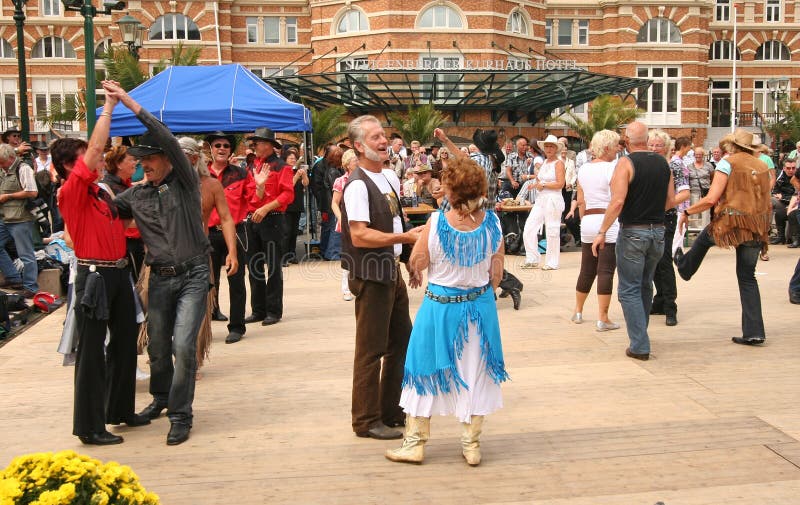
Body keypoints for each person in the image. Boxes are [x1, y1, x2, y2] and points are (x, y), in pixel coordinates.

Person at [103, 81, 224, 446]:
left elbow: (165, 137)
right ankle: (160, 398)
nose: (143, 164)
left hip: (193, 274)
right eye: (139, 160)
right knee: (157, 347)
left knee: (184, 345)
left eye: (149, 158)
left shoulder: (187, 182)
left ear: (168, 159)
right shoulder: (135, 194)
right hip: (158, 278)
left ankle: (180, 414)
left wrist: (126, 101)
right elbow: (103, 210)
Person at [385, 155, 508, 466]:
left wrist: (415, 266)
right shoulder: (493, 223)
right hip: (479, 310)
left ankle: (414, 443)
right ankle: (471, 445)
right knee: (475, 372)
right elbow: (497, 274)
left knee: (424, 369)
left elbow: (419, 262)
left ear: (451, 191)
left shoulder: (436, 222)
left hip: (439, 308)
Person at [52, 87, 147, 445]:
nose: (93, 160)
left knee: (125, 341)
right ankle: (89, 427)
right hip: (94, 274)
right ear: (68, 165)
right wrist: (109, 106)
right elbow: (95, 149)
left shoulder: (100, 193)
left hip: (117, 271)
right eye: (82, 158)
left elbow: (119, 227)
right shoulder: (70, 191)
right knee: (92, 351)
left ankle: (119, 410)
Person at [340, 115, 422, 440]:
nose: (383, 140)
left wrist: (407, 262)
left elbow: (395, 223)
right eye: (375, 137)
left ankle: (391, 411)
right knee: (370, 350)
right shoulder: (358, 184)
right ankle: (365, 420)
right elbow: (360, 236)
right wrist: (405, 242)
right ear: (359, 146)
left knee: (402, 342)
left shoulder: (387, 177)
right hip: (371, 276)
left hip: (390, 273)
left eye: (383, 135)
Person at [674, 129, 771, 346]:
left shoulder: (728, 163)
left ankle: (685, 267)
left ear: (732, 146)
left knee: (705, 238)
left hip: (732, 222)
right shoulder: (763, 165)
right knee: (748, 278)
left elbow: (711, 198)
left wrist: (687, 212)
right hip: (756, 225)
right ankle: (755, 332)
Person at [591, 121, 675, 361]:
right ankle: (641, 334)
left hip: (633, 231)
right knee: (645, 285)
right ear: (647, 140)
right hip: (658, 231)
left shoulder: (626, 163)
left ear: (627, 140)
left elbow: (617, 201)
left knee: (628, 289)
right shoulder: (663, 163)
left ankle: (639, 344)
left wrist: (602, 231)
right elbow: (669, 201)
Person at [178, 136, 238, 358]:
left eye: (183, 157)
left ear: (194, 158)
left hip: (198, 255)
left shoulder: (210, 185)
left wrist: (232, 252)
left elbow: (226, 218)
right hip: (166, 256)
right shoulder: (163, 184)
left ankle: (190, 358)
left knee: (197, 311)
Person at [205, 131, 254, 344]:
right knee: (207, 281)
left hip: (235, 232)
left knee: (236, 280)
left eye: (226, 145)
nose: (222, 148)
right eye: (217, 145)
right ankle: (208, 319)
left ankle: (236, 326)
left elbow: (253, 201)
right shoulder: (201, 175)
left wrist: (260, 186)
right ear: (210, 149)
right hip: (207, 233)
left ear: (231, 150)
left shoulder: (241, 174)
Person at [245, 127, 295, 326]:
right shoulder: (252, 166)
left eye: (257, 143)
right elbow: (251, 195)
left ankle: (273, 310)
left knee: (273, 267)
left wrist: (265, 208)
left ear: (268, 145)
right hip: (253, 219)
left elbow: (287, 195)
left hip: (272, 219)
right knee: (254, 266)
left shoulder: (282, 166)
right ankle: (258, 309)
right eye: (254, 143)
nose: (255, 146)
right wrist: (259, 190)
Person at [572, 130, 621, 332]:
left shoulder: (583, 169)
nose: (619, 148)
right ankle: (603, 317)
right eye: (617, 145)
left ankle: (578, 310)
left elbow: (581, 200)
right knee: (605, 270)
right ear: (608, 147)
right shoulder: (613, 168)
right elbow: (617, 198)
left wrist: (585, 222)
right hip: (607, 220)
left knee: (587, 268)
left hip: (589, 219)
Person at [648, 133, 690, 327]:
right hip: (649, 219)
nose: (655, 148)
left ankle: (670, 307)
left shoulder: (673, 166)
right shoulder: (646, 165)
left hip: (666, 218)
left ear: (666, 148)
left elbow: (685, 193)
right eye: (651, 145)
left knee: (664, 260)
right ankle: (660, 300)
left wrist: (665, 206)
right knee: (652, 260)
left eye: (658, 145)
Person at [521, 135, 565, 270]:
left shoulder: (559, 163)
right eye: (547, 146)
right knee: (529, 227)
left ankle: (552, 262)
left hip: (553, 199)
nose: (549, 149)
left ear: (556, 148)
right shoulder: (545, 162)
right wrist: (535, 185)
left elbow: (560, 183)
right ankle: (532, 258)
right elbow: (540, 180)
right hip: (541, 199)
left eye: (551, 146)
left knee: (552, 230)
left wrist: (543, 185)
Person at [0, 143, 39, 297]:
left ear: (11, 158)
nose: (1, 166)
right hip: (5, 218)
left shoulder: (23, 169)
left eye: (3, 162)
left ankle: (31, 287)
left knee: (26, 254)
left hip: (21, 218)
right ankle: (13, 277)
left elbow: (32, 192)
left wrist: (8, 196)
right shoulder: (4, 170)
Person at [331, 149, 357, 301]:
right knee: (348, 254)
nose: (358, 162)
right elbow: (334, 203)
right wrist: (341, 218)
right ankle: (346, 288)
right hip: (346, 221)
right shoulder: (341, 181)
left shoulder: (364, 179)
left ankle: (359, 285)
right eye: (355, 161)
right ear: (347, 164)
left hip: (363, 220)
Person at [311, 145, 343, 260]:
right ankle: (328, 252)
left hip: (329, 202)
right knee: (330, 227)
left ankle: (326, 251)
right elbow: (315, 187)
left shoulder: (334, 168)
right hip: (327, 203)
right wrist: (322, 201)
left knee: (329, 227)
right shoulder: (321, 167)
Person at [282, 148, 309, 266]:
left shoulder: (298, 170)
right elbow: (289, 186)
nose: (293, 160)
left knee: (294, 232)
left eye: (294, 158)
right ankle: (283, 257)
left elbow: (306, 184)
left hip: (297, 204)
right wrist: (296, 176)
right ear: (285, 159)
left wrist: (303, 175)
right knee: (286, 232)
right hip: (287, 205)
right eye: (290, 158)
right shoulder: (284, 171)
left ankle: (292, 255)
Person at [770, 158, 797, 246]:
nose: (791, 170)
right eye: (788, 168)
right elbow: (775, 191)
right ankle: (779, 237)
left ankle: (792, 238)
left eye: (793, 168)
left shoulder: (798, 176)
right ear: (784, 168)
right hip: (783, 203)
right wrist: (780, 197)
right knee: (775, 206)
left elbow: (796, 195)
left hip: (795, 203)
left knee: (789, 212)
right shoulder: (780, 177)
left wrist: (783, 197)